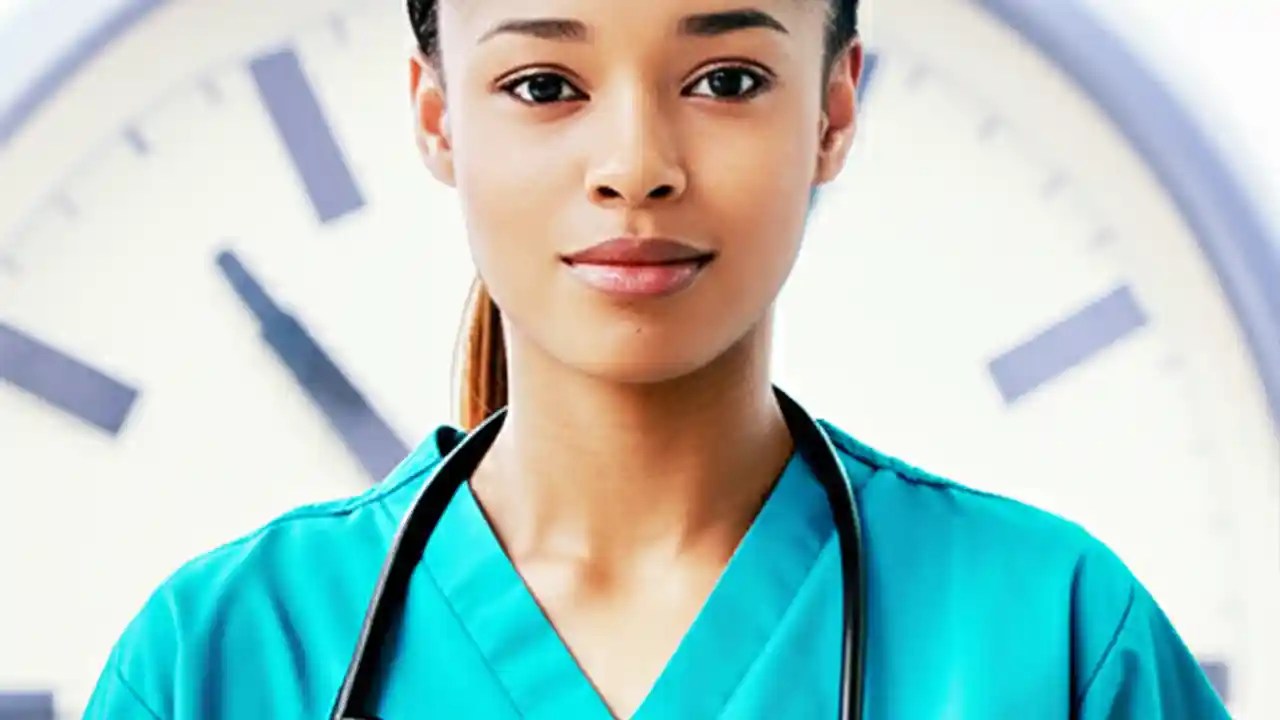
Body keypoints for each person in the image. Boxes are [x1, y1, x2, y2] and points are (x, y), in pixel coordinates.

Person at [84, 0, 1232, 717]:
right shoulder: (219, 660)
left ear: (833, 109)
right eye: (543, 85)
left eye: (725, 80)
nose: (634, 164)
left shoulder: (1055, 640)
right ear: (435, 114)